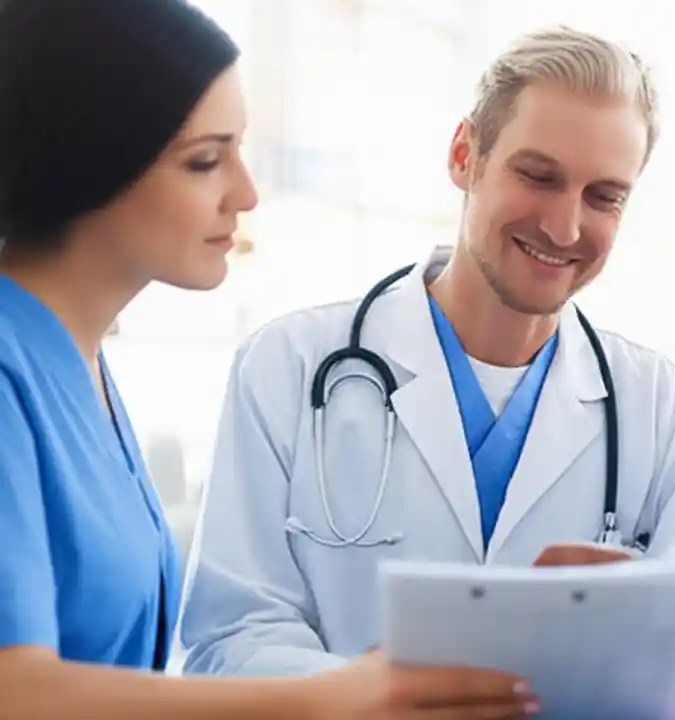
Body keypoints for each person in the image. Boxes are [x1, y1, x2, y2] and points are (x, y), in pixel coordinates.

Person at [0, 0, 539, 717]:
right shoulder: (12, 368)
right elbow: (13, 688)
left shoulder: (79, 365)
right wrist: (320, 701)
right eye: (204, 161)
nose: (246, 193)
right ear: (90, 157)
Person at [177, 25, 675, 677]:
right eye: (538, 176)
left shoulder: (664, 411)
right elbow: (232, 637)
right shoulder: (287, 366)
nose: (564, 226)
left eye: (604, 197)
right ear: (464, 155)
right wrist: (379, 704)